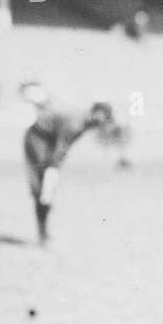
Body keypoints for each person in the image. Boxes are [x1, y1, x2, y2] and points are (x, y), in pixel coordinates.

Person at [23, 101, 115, 243]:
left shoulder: (85, 122)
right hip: (38, 138)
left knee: (47, 190)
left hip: (50, 141)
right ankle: (42, 233)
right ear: (97, 114)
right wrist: (53, 168)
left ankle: (43, 232)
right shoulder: (75, 123)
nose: (103, 123)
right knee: (42, 189)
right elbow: (61, 147)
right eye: (105, 117)